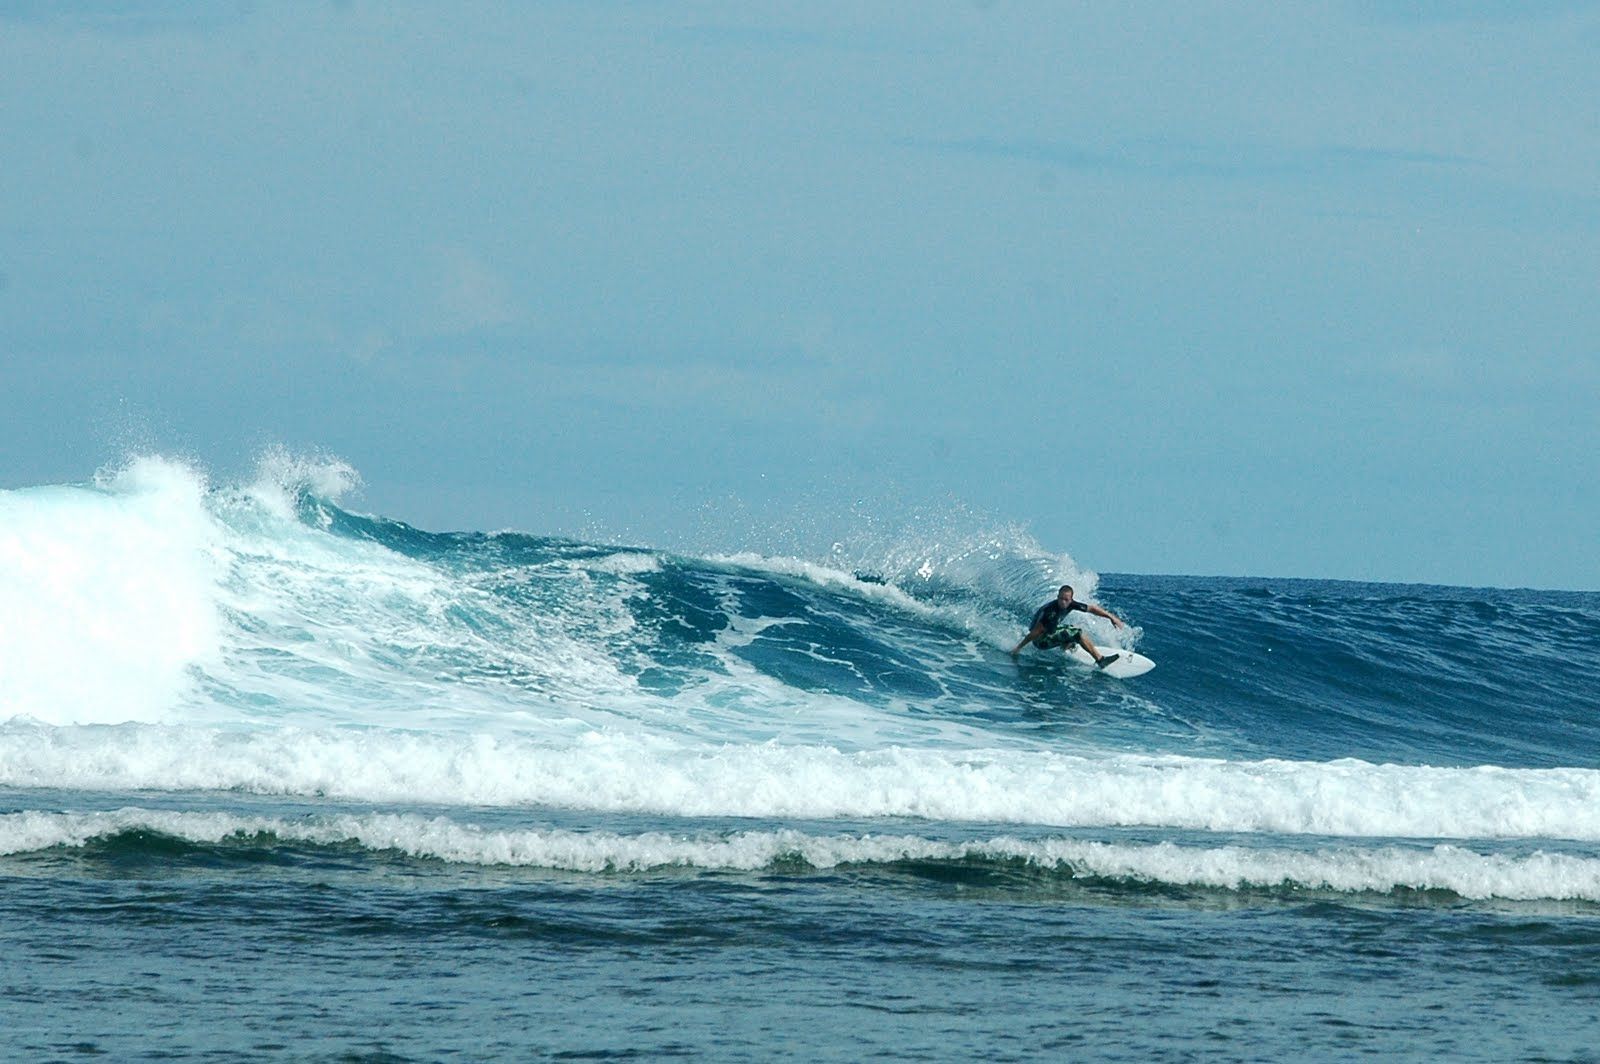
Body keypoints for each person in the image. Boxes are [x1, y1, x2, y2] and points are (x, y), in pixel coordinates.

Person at [1010, 584, 1124, 668]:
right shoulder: (1051, 612)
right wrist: (1019, 647)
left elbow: (1092, 609)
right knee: (1076, 632)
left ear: (1071, 599)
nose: (1063, 602)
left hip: (1048, 632)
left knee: (1069, 629)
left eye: (1066, 600)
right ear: (1057, 597)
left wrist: (1111, 617)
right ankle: (1100, 660)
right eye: (1061, 599)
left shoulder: (1071, 604)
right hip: (1040, 640)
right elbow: (1036, 631)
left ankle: (1066, 647)